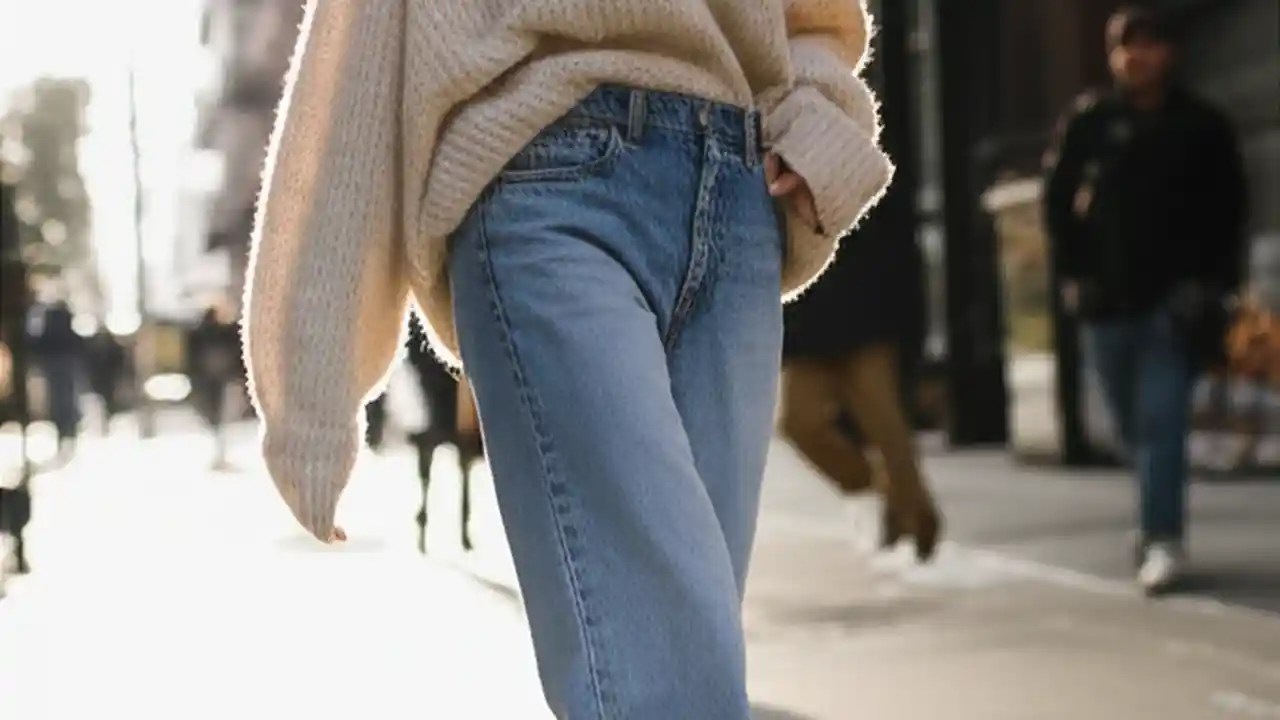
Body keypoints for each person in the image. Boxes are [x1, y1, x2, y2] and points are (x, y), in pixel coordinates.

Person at [242, 2, 892, 716]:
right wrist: (311, 383)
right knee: (669, 677)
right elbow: (363, 48)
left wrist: (819, 111)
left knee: (687, 647)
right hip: (547, 178)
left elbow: (818, 18)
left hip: (738, 190)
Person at [1044, 6, 1247, 595]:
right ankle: (1153, 512)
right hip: (1106, 302)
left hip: (1174, 303)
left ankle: (1163, 537)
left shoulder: (1202, 126)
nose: (1138, 58)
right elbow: (1058, 204)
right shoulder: (1091, 121)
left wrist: (1217, 288)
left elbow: (1230, 213)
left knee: (1162, 424)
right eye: (1127, 46)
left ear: (1171, 53)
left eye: (1149, 46)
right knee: (1128, 426)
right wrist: (1075, 275)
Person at [780, 218, 942, 561]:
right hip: (807, 325)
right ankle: (892, 493)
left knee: (886, 427)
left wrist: (910, 331)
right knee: (798, 422)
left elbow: (899, 244)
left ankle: (917, 515)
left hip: (867, 318)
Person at [187, 306, 240, 470]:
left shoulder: (198, 334)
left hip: (210, 380)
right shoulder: (222, 333)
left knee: (215, 417)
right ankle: (219, 453)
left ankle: (219, 453)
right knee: (218, 417)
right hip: (217, 379)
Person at [31, 300, 84, 456]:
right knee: (66, 399)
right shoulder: (67, 331)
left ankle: (63, 431)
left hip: (54, 369)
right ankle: (68, 431)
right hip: (65, 368)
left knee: (57, 400)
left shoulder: (49, 328)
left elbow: (38, 346)